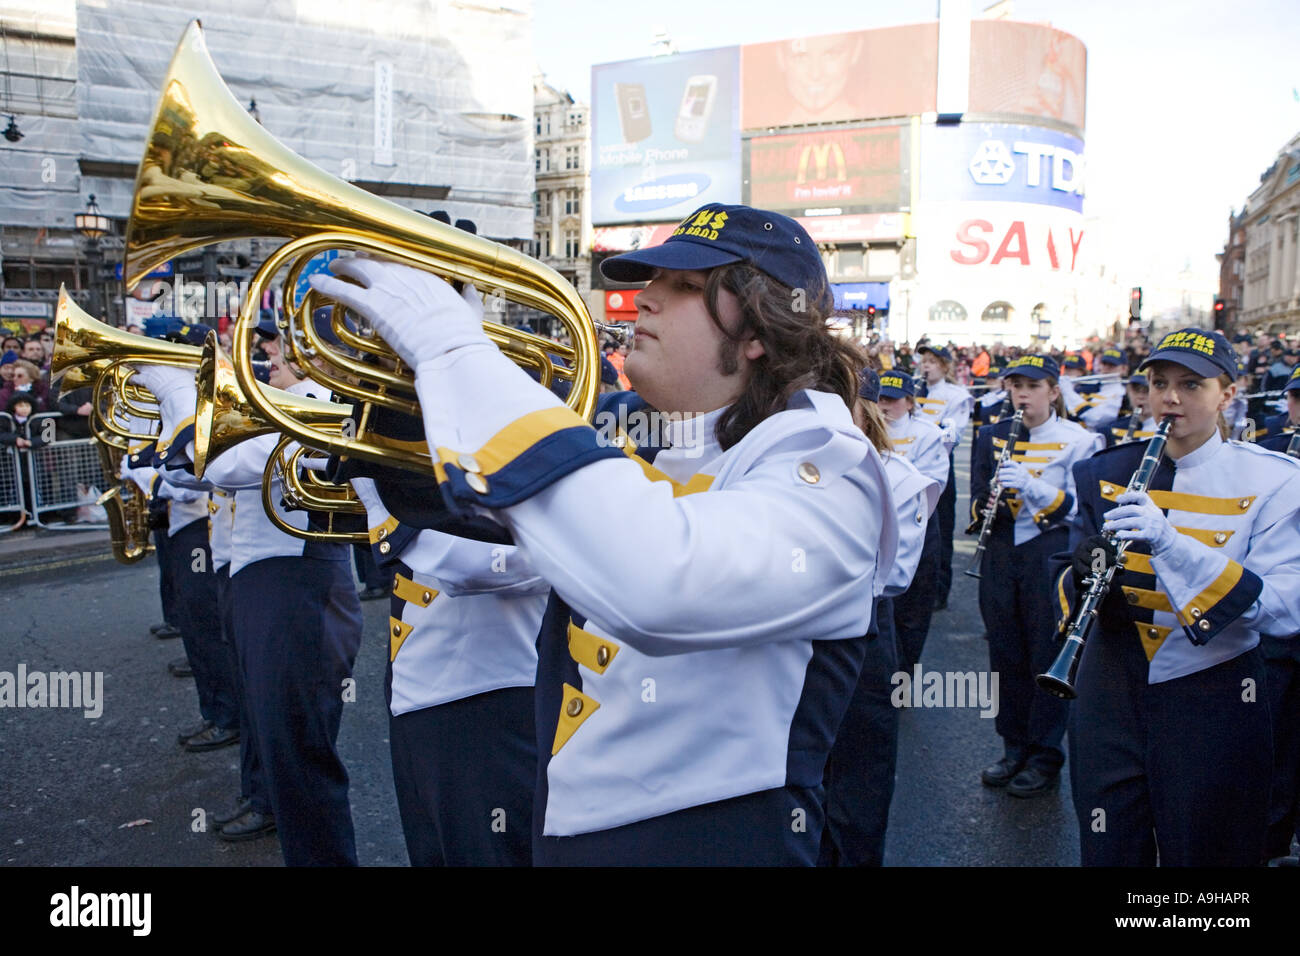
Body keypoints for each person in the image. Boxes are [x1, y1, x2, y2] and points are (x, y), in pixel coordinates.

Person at [312, 202, 898, 865]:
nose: (643, 299)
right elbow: (508, 520)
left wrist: (455, 347)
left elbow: (663, 579)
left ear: (759, 326)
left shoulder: (831, 467)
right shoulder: (673, 440)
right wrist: (397, 413)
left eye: (682, 286)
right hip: (580, 817)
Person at [1058, 328, 1300, 866]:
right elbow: (1065, 575)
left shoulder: (1274, 479)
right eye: (1160, 383)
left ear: (1227, 395)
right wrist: (1084, 574)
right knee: (1108, 841)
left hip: (1213, 687)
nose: (1171, 398)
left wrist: (1171, 546)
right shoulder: (1105, 471)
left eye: (1192, 385)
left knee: (1208, 850)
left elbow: (1283, 609)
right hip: (1111, 685)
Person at [820, 368, 939, 867]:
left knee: (857, 782)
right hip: (796, 633)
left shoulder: (900, 476)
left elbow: (892, 577)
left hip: (860, 633)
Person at [971, 355, 1102, 797]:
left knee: (1045, 653)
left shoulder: (1079, 441)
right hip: (1002, 554)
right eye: (1015, 386)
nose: (1022, 395)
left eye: (1032, 385)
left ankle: (1045, 755)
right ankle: (1013, 746)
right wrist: (987, 507)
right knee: (1005, 652)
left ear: (1053, 390)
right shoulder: (991, 435)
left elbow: (1081, 510)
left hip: (1050, 552)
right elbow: (974, 500)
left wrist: (1031, 485)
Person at [873, 369, 948, 672]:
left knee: (913, 610)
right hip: (878, 526)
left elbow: (932, 483)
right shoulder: (867, 426)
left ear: (909, 401)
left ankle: (904, 674)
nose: (884, 406)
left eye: (892, 400)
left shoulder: (929, 433)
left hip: (919, 523)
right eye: (880, 399)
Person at [913, 343, 971, 610]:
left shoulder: (956, 395)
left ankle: (939, 589)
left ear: (945, 367)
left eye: (933, 362)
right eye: (924, 361)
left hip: (940, 468)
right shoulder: (912, 391)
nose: (926, 366)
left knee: (941, 530)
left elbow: (951, 437)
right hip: (911, 468)